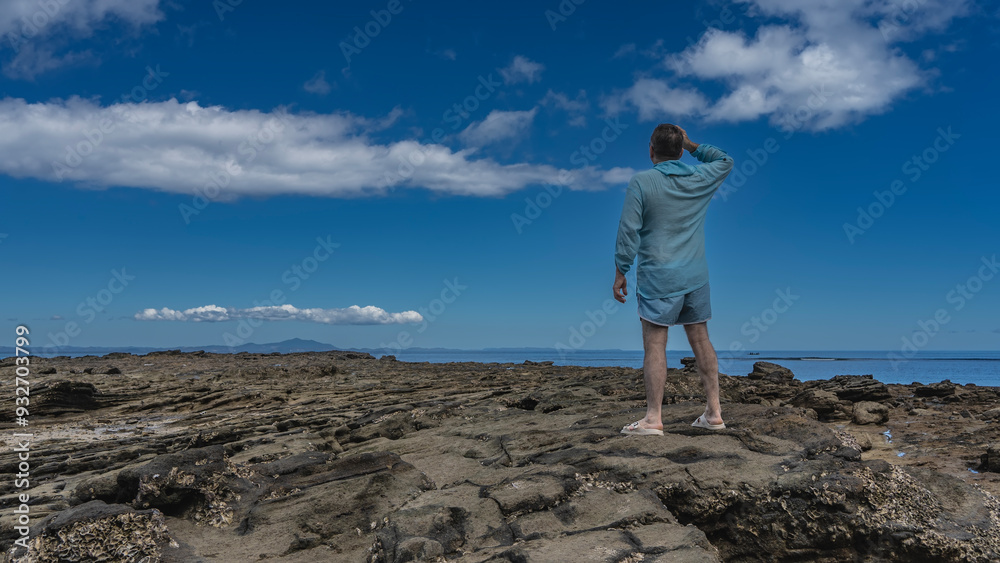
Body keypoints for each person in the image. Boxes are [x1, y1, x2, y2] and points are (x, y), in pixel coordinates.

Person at [613, 124, 733, 436]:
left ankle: (653, 419)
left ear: (651, 151)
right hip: (695, 276)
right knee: (701, 339)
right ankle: (714, 413)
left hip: (658, 278)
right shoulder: (699, 177)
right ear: (680, 151)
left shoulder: (641, 182)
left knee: (655, 343)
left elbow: (629, 231)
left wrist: (620, 270)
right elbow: (724, 161)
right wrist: (694, 145)